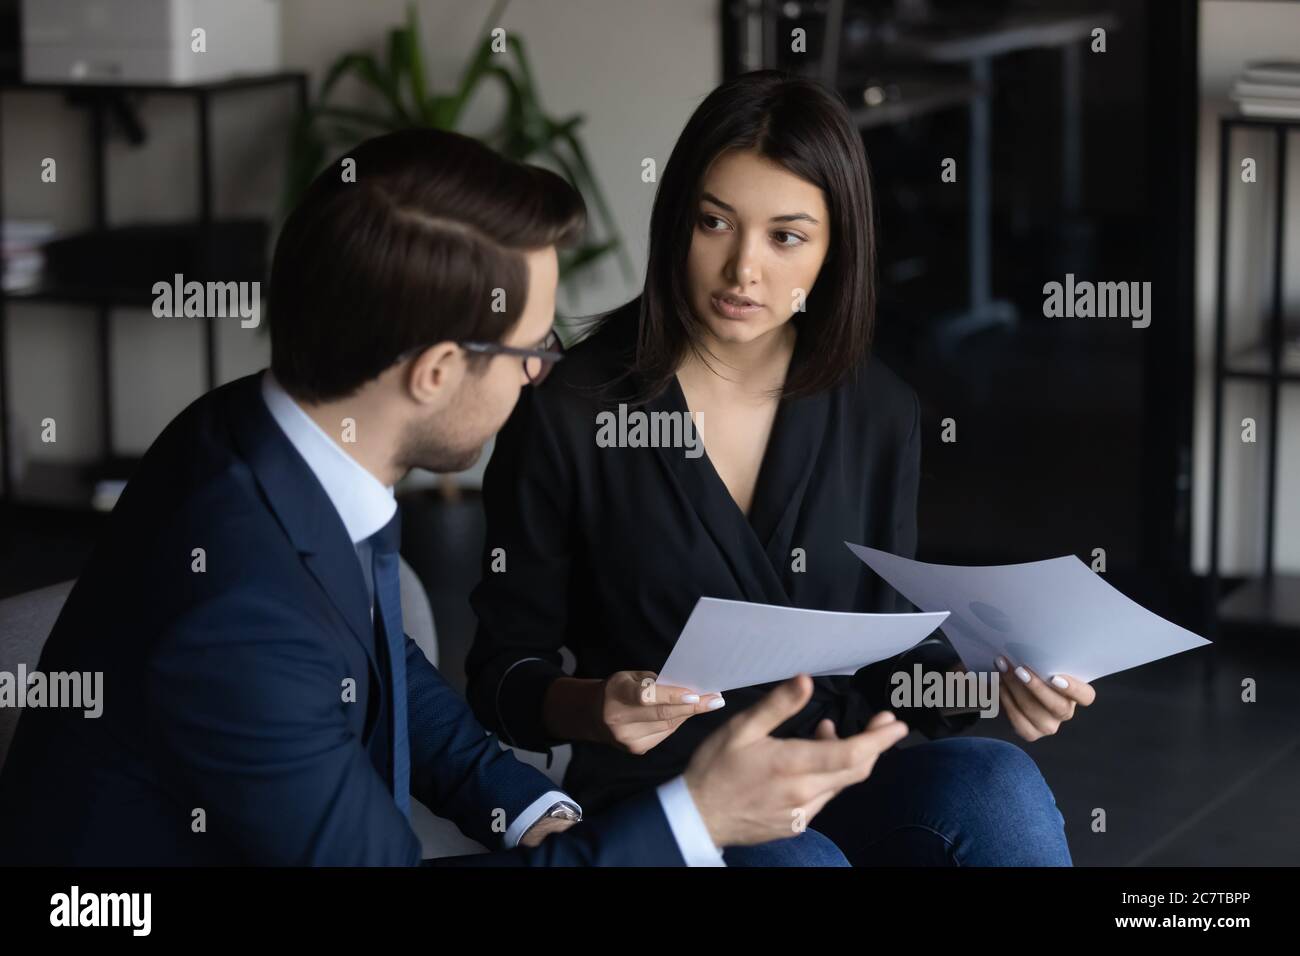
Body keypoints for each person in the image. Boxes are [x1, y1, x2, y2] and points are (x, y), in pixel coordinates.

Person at [0, 127, 912, 866]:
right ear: (438, 371)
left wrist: (525, 803)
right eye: (532, 350)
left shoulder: (259, 431)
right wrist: (693, 818)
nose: (543, 376)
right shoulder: (241, 627)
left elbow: (371, 648)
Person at [465, 70, 1094, 867]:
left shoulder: (877, 411)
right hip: (676, 804)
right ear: (676, 222)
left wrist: (990, 685)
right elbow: (499, 675)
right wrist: (595, 706)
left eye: (785, 237)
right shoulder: (570, 410)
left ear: (836, 249)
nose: (742, 270)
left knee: (996, 781)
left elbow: (885, 671)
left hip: (836, 776)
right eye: (714, 223)